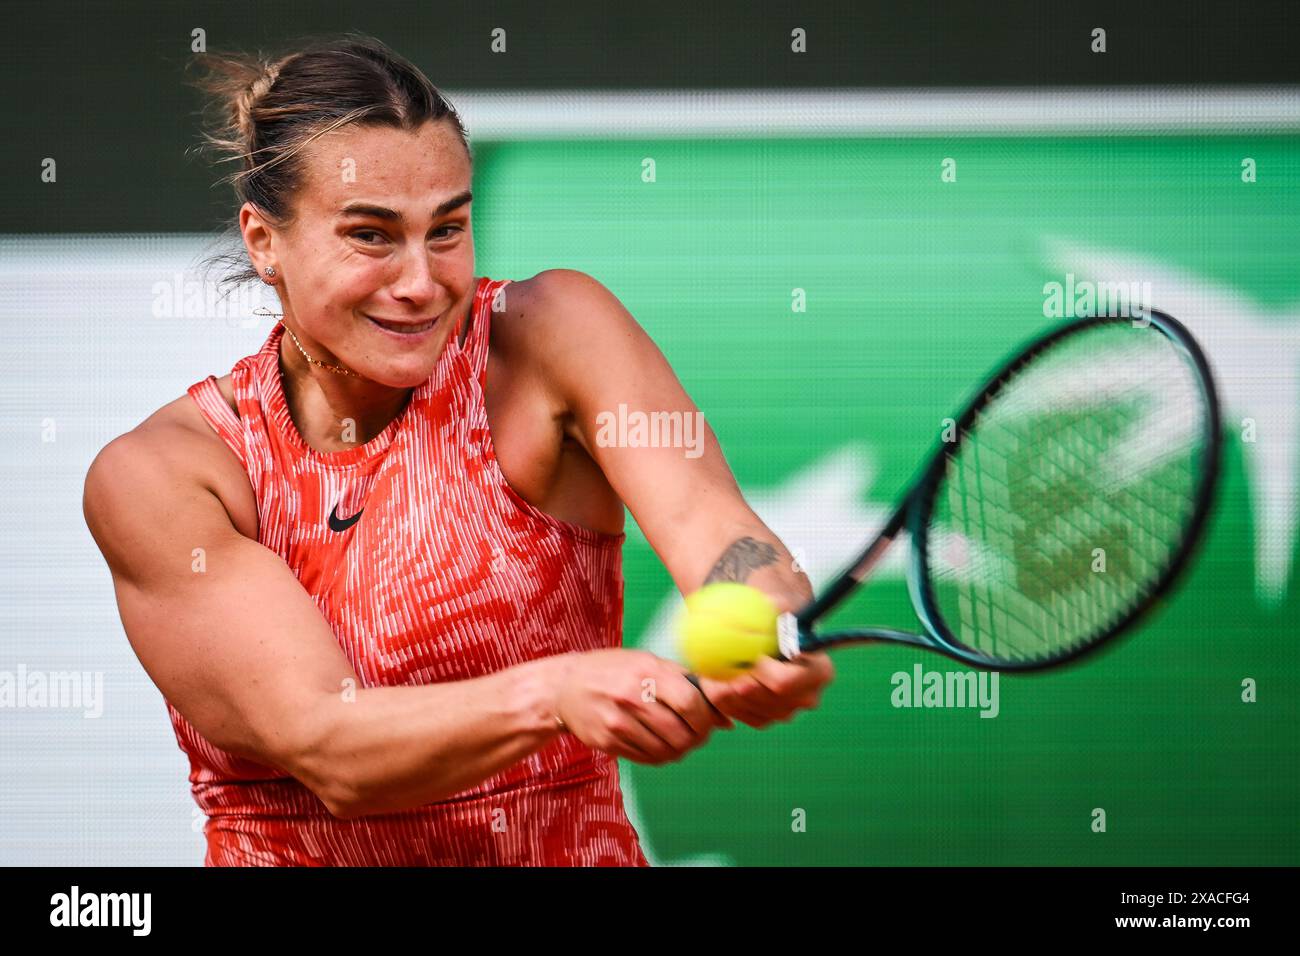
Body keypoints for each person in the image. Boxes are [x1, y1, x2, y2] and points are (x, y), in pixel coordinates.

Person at [82, 32, 832, 866]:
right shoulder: (167, 475)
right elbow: (332, 746)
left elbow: (717, 528)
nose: (421, 281)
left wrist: (762, 611)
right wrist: (551, 693)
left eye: (447, 229)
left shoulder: (551, 336)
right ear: (265, 242)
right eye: (371, 236)